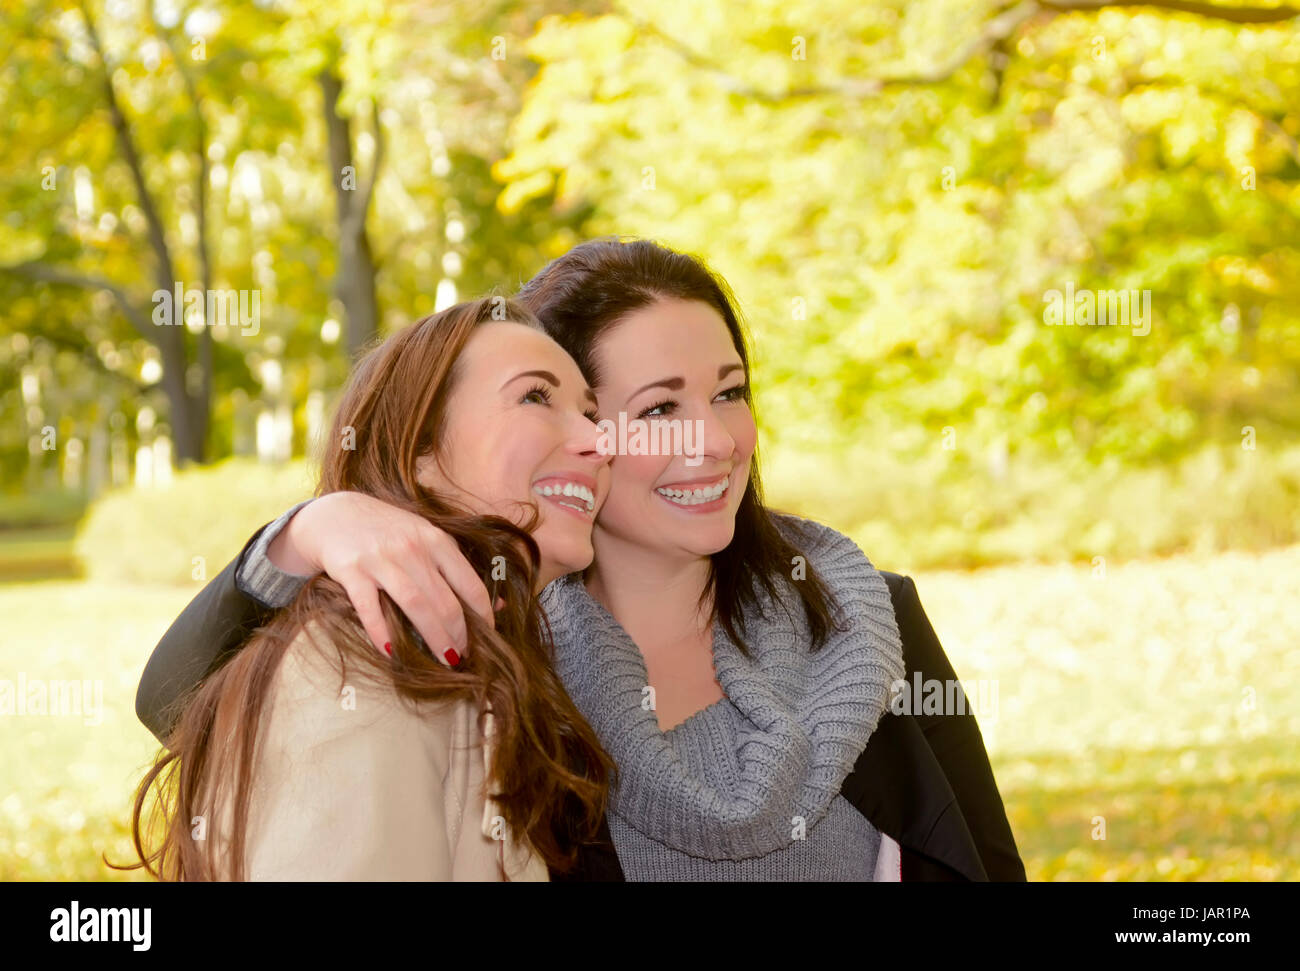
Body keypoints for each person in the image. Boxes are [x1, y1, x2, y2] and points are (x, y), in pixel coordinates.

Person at [138, 238, 1026, 881]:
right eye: (657, 408)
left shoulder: (862, 615)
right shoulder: (498, 655)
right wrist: (302, 533)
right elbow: (184, 703)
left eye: (730, 392)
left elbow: (985, 862)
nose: (714, 441)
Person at [126, 297, 615, 881]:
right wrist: (299, 534)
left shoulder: (496, 640)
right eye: (535, 396)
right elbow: (165, 699)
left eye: (591, 414)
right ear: (420, 451)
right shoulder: (367, 659)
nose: (598, 441)